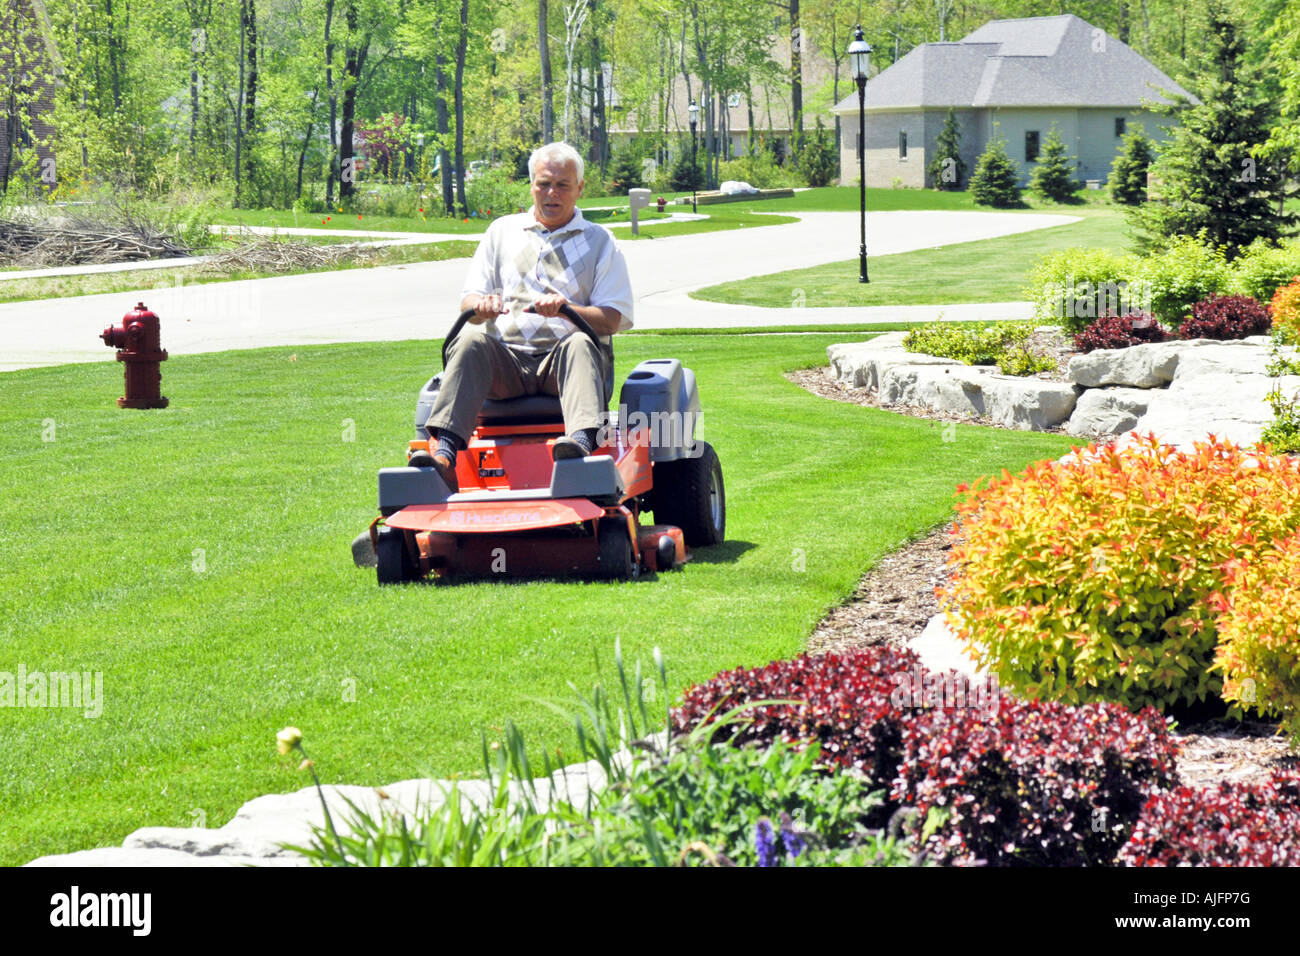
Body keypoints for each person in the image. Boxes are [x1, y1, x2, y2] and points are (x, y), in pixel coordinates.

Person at [410, 141, 634, 492]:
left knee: (578, 341)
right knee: (469, 340)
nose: (551, 193)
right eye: (543, 184)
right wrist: (479, 306)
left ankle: (579, 447)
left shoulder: (600, 241)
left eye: (562, 185)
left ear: (580, 188)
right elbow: (468, 299)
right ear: (531, 185)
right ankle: (444, 454)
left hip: (562, 364)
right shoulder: (502, 232)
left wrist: (567, 310)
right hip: (507, 363)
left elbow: (613, 318)